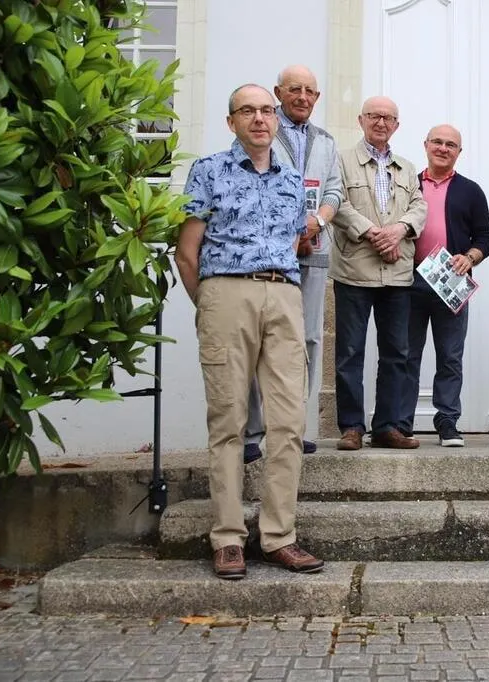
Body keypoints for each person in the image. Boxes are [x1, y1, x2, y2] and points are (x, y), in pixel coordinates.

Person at [175, 83, 325, 580]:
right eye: (248, 111)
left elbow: (295, 241)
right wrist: (209, 306)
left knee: (288, 422)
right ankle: (227, 538)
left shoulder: (291, 179)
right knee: (229, 420)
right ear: (231, 120)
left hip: (283, 294)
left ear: (276, 120)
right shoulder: (208, 170)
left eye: (266, 110)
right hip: (226, 294)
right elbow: (186, 252)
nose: (260, 118)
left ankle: (280, 536)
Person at [243, 65, 343, 462]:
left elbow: (334, 190)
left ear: (317, 98)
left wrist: (315, 221)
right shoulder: (263, 131)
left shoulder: (326, 141)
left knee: (309, 340)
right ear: (278, 93)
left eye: (310, 91)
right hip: (269, 254)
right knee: (258, 339)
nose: (302, 97)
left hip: (315, 250)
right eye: (294, 89)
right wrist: (289, 231)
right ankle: (253, 432)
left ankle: (296, 428)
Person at [330, 96, 427, 451]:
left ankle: (387, 426)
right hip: (355, 271)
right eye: (374, 116)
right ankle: (352, 427)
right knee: (350, 353)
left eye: (388, 118)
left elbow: (419, 206)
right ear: (361, 120)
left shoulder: (407, 167)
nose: (381, 122)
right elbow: (336, 202)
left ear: (397, 125)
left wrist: (399, 229)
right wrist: (374, 233)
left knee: (396, 353)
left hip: (397, 274)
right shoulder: (341, 161)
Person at [397, 125, 489, 446]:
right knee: (406, 355)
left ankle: (448, 422)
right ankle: (401, 423)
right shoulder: (408, 184)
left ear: (459, 152)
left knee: (450, 357)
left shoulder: (470, 190)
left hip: (450, 282)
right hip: (408, 281)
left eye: (450, 144)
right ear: (425, 145)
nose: (443, 148)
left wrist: (470, 257)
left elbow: (485, 237)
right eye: (437, 142)